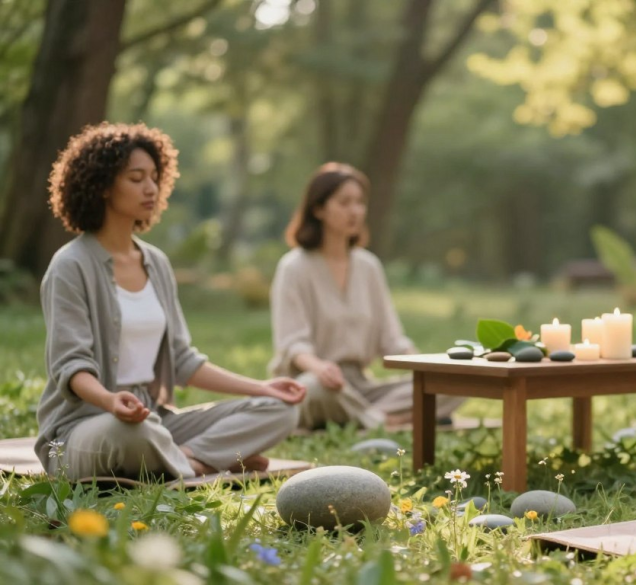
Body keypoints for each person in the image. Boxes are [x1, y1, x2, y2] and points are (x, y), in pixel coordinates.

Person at [35, 123, 305, 480]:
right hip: (84, 428)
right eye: (136, 178)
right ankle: (212, 459)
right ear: (101, 186)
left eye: (154, 177)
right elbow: (71, 366)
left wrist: (263, 387)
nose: (151, 187)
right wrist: (110, 401)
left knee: (280, 410)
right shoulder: (70, 266)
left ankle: (191, 458)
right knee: (131, 433)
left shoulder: (156, 263)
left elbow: (182, 360)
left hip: (152, 419)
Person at [269, 162, 463, 430]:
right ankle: (382, 421)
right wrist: (320, 368)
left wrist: (428, 369)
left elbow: (391, 339)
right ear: (318, 209)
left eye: (360, 202)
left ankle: (365, 419)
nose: (355, 211)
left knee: (454, 381)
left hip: (360, 388)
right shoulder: (294, 267)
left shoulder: (368, 266)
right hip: (315, 382)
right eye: (344, 202)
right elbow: (293, 344)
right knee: (312, 388)